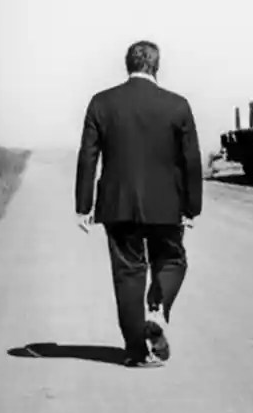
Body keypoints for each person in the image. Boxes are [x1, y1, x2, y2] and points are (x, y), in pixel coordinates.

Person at [75, 40, 203, 368]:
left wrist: (84, 205)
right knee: (173, 259)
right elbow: (191, 161)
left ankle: (136, 349)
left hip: (117, 205)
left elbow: (88, 156)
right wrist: (192, 208)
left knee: (128, 274)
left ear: (127, 65)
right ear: (156, 66)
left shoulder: (101, 103)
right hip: (166, 206)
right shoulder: (177, 106)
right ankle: (158, 298)